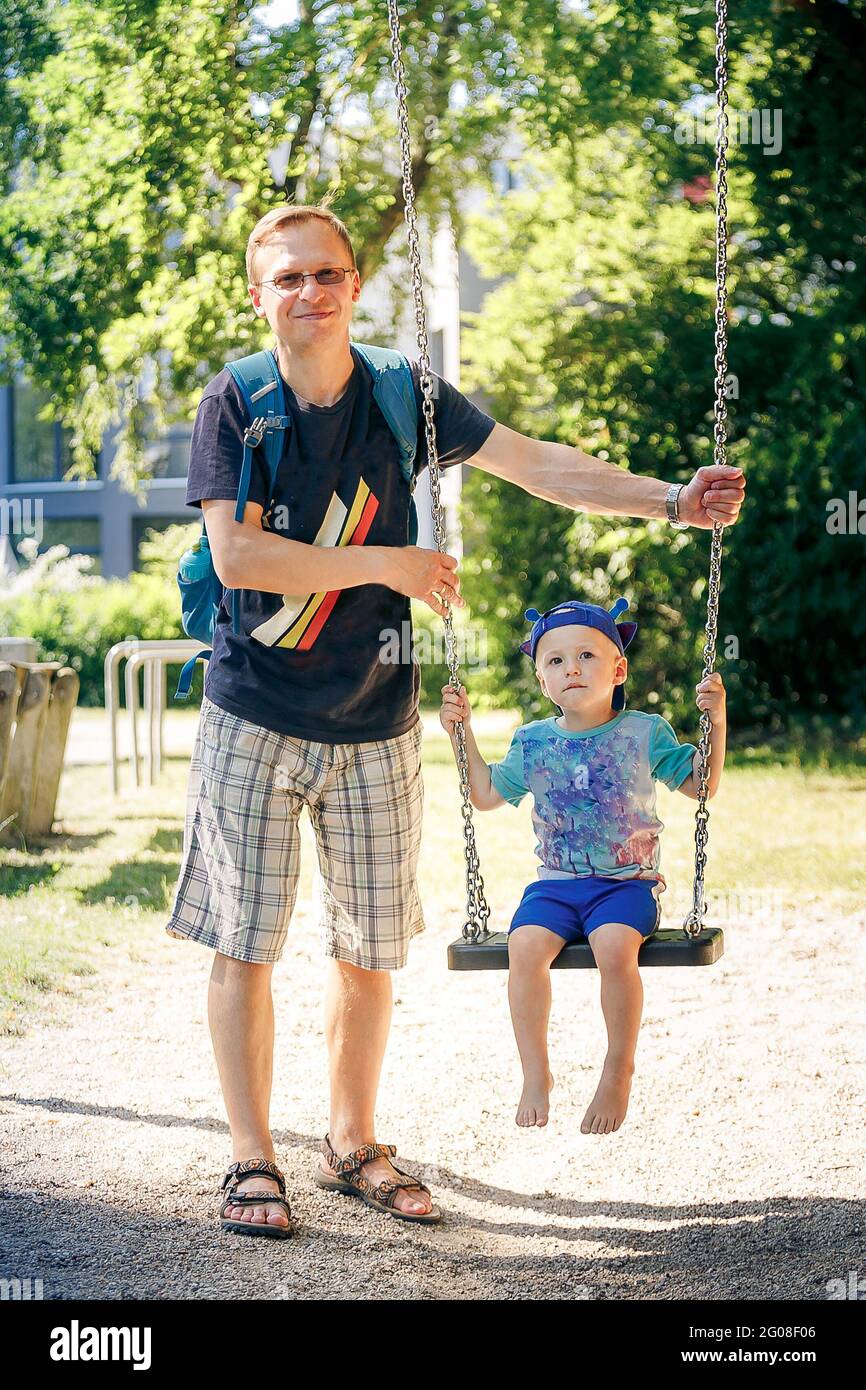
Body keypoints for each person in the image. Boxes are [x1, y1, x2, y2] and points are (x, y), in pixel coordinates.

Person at [164, 201, 745, 1237]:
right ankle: (251, 1157)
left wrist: (669, 500)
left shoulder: (405, 397)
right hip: (252, 709)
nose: (310, 291)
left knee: (367, 949)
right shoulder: (236, 401)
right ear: (259, 294)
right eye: (287, 277)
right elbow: (239, 559)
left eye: (326, 273)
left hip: (375, 719)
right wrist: (389, 560)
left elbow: (539, 466)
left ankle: (352, 1142)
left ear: (352, 284)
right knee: (246, 943)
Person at [439, 598, 727, 1135]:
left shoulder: (644, 733)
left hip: (626, 887)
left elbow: (702, 785)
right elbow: (483, 794)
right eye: (555, 661)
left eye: (587, 655)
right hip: (556, 887)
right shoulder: (533, 742)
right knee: (523, 948)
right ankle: (536, 1073)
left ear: (618, 670)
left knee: (614, 947)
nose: (571, 668)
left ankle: (618, 1069)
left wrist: (716, 717)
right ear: (542, 679)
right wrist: (462, 732)